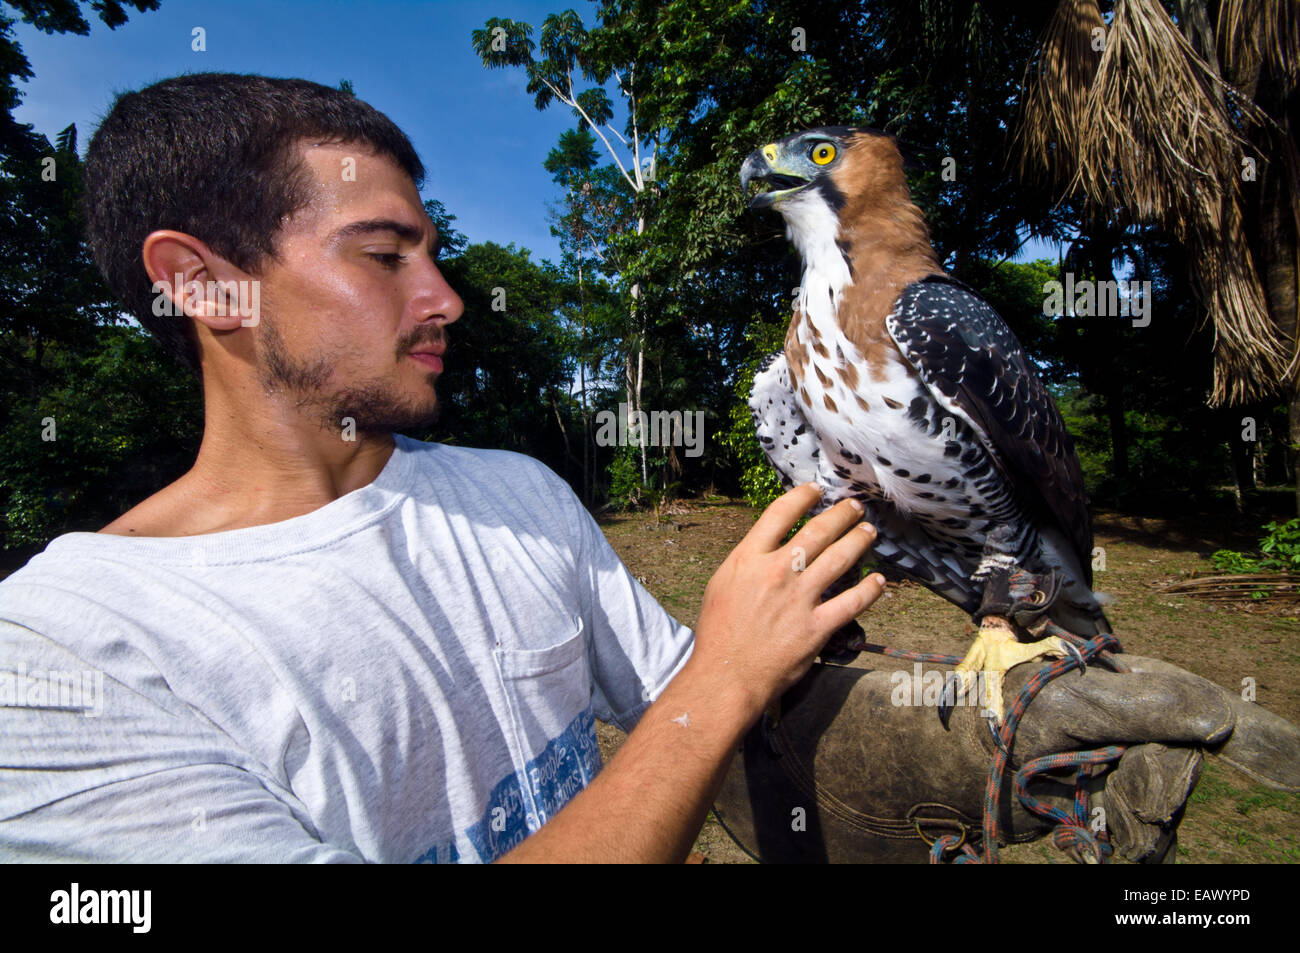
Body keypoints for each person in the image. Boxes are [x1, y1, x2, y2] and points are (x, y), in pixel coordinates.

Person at [0, 73, 885, 863]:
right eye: (385, 256)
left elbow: (689, 699)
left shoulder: (519, 492)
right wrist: (722, 681)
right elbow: (710, 694)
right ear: (201, 284)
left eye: (429, 251)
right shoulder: (61, 657)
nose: (447, 300)